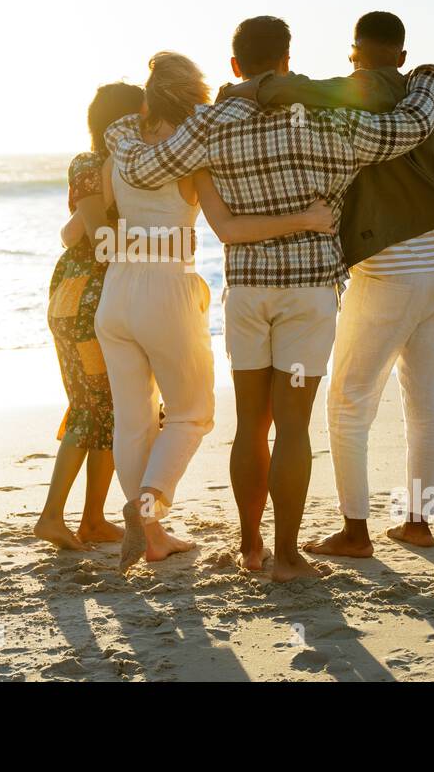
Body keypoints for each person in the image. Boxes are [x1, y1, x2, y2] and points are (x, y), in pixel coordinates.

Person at [106, 17, 434, 581]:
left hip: (247, 292)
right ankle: (288, 557)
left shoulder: (210, 123)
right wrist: (431, 79)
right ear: (289, 62)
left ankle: (250, 549)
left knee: (250, 425)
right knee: (293, 427)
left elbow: (145, 167)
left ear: (236, 66)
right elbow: (409, 127)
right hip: (309, 294)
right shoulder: (327, 117)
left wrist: (120, 128)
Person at [228, 11, 434, 556]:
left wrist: (248, 89)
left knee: (348, 403)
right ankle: (418, 522)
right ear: (402, 55)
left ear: (354, 53)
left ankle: (355, 532)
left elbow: (298, 88)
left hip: (388, 266)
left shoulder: (355, 89)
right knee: (427, 400)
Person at [95, 52, 335, 573]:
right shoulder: (193, 155)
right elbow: (229, 230)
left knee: (133, 420)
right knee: (191, 413)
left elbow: (106, 214)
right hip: (167, 284)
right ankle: (147, 507)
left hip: (115, 287)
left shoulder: (122, 145)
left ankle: (153, 536)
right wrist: (309, 219)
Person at [35, 83, 144, 551]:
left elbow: (73, 231)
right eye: (139, 115)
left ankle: (94, 519)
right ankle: (51, 517)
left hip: (102, 298)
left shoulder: (130, 166)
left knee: (111, 410)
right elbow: (98, 235)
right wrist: (160, 245)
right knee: (89, 406)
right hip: (81, 303)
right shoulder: (90, 163)